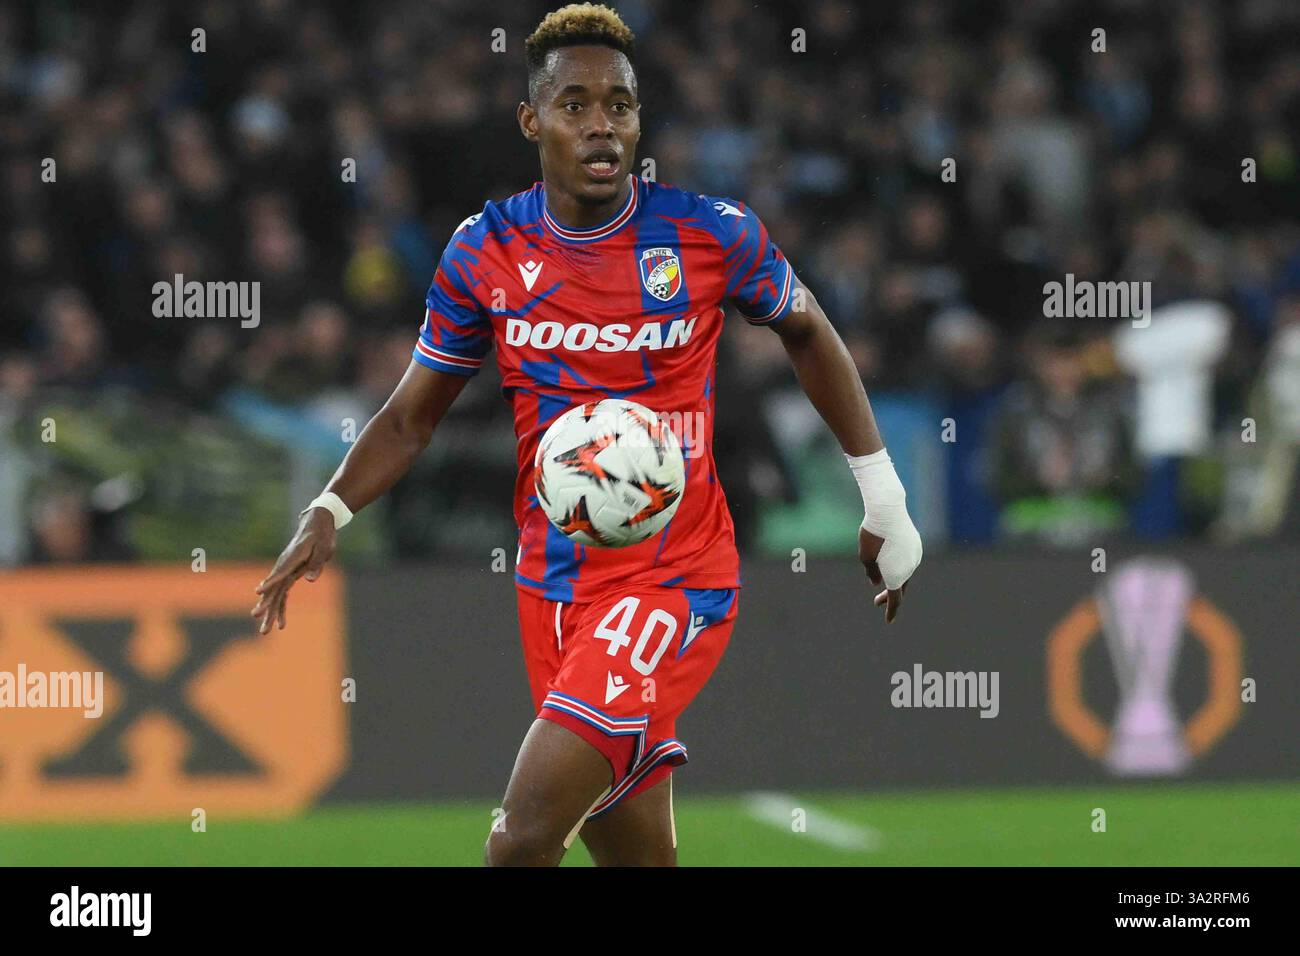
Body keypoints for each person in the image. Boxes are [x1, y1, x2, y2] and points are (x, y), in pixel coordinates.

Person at [250, 3, 922, 867]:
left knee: (522, 839)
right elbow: (411, 415)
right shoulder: (483, 252)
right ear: (533, 120)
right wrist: (329, 510)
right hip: (556, 586)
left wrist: (884, 496)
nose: (602, 124)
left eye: (621, 104)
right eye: (575, 105)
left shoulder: (709, 234)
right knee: (635, 858)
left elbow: (809, 332)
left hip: (675, 579)